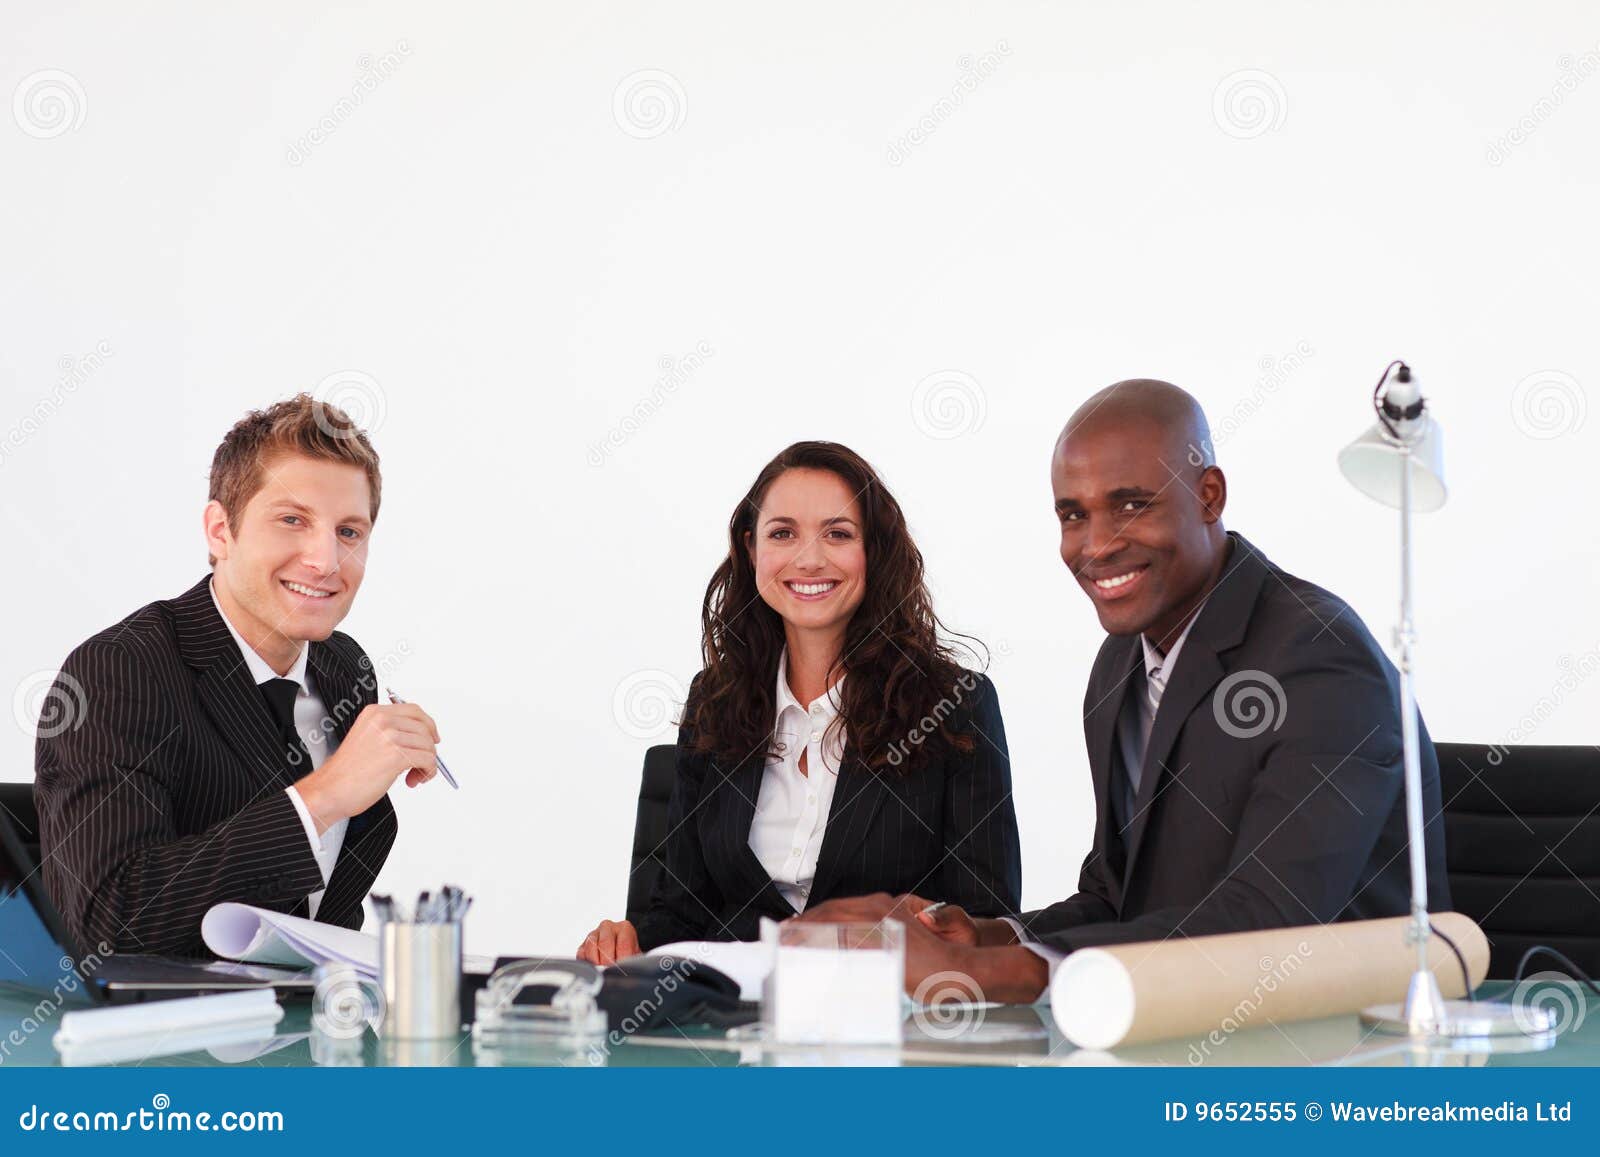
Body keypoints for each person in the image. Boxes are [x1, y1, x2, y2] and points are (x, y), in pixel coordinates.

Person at [798, 380, 1449, 1003]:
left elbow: (1269, 921)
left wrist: (1000, 970)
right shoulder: (1120, 665)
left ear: (1209, 496)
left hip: (1332, 1052)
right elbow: (1118, 895)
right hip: (1169, 1033)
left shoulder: (1320, 656)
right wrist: (991, 932)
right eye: (1072, 515)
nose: (1097, 544)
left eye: (1132, 503)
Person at [578, 441, 1022, 964]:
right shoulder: (715, 701)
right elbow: (680, 914)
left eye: (837, 534)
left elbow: (987, 924)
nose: (809, 559)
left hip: (888, 1025)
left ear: (873, 550)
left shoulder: (952, 705)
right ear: (751, 549)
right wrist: (626, 937)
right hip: (728, 1025)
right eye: (782, 533)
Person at [34, 395, 442, 957]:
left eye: (349, 532)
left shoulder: (346, 668)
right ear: (220, 530)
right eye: (292, 520)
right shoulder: (119, 671)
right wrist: (323, 796)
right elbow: (111, 917)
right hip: (169, 1040)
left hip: (322, 1031)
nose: (325, 561)